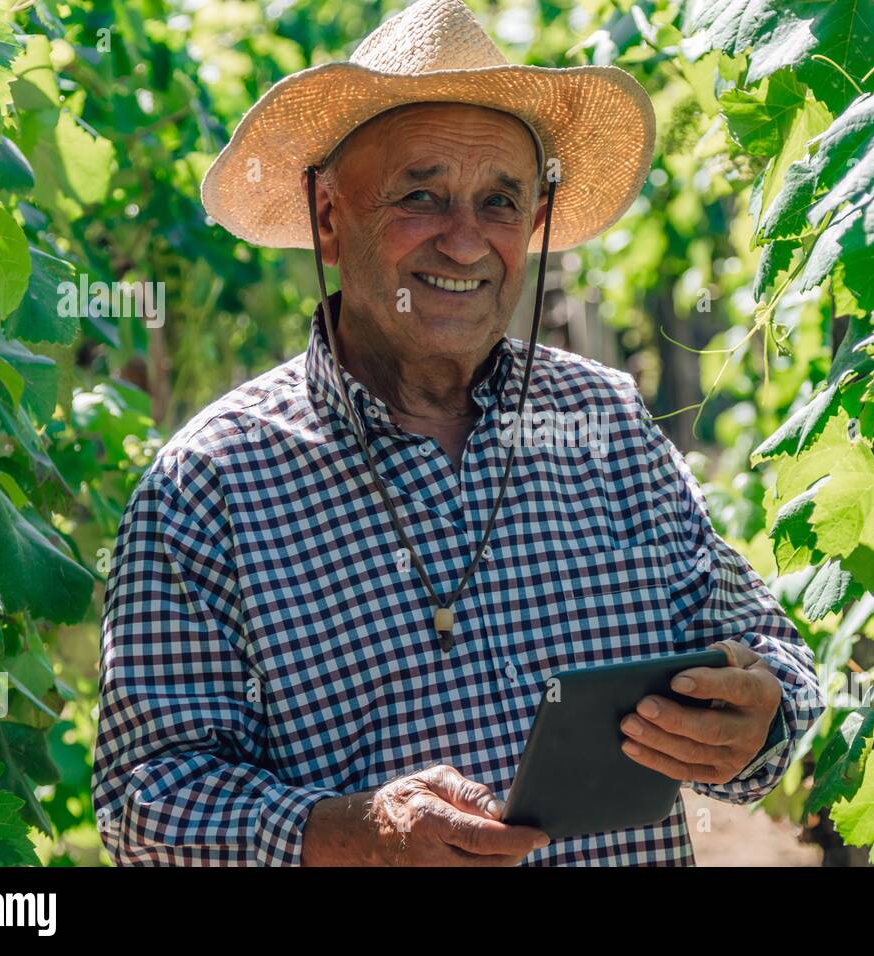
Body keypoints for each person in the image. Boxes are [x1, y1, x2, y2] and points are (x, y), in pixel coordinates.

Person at [92, 0, 823, 866]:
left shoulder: (606, 425)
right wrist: (347, 834)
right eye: (421, 195)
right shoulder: (211, 484)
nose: (467, 241)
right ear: (328, 216)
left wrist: (761, 711)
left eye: (500, 201)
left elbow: (769, 648)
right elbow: (144, 800)